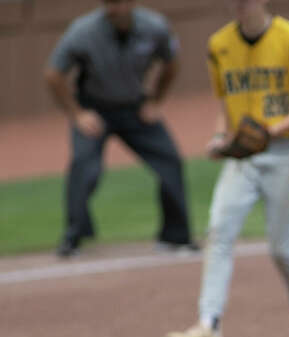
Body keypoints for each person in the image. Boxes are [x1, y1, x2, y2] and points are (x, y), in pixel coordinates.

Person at [164, 0, 289, 337]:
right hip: (244, 155)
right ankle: (208, 328)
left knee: (283, 248)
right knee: (219, 234)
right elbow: (227, 105)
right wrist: (219, 138)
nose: (238, 5)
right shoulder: (219, 45)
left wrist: (274, 130)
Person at [45, 0, 195, 258]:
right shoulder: (83, 31)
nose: (114, 8)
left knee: (170, 160)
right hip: (95, 109)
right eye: (108, 3)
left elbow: (172, 63)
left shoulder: (154, 26)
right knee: (84, 166)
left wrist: (156, 101)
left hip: (134, 108)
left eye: (119, 2)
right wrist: (77, 114)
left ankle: (176, 236)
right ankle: (73, 237)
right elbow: (53, 74)